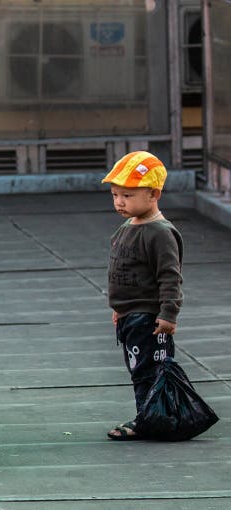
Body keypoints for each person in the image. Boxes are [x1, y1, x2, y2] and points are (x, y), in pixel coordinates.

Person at [102, 151, 183, 440]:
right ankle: (154, 416)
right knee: (139, 370)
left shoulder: (159, 233)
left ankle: (148, 419)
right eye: (115, 195)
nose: (119, 202)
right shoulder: (128, 226)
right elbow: (124, 272)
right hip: (129, 315)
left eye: (127, 195)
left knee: (148, 371)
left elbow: (169, 276)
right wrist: (119, 308)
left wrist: (168, 313)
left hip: (148, 317)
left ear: (154, 194)